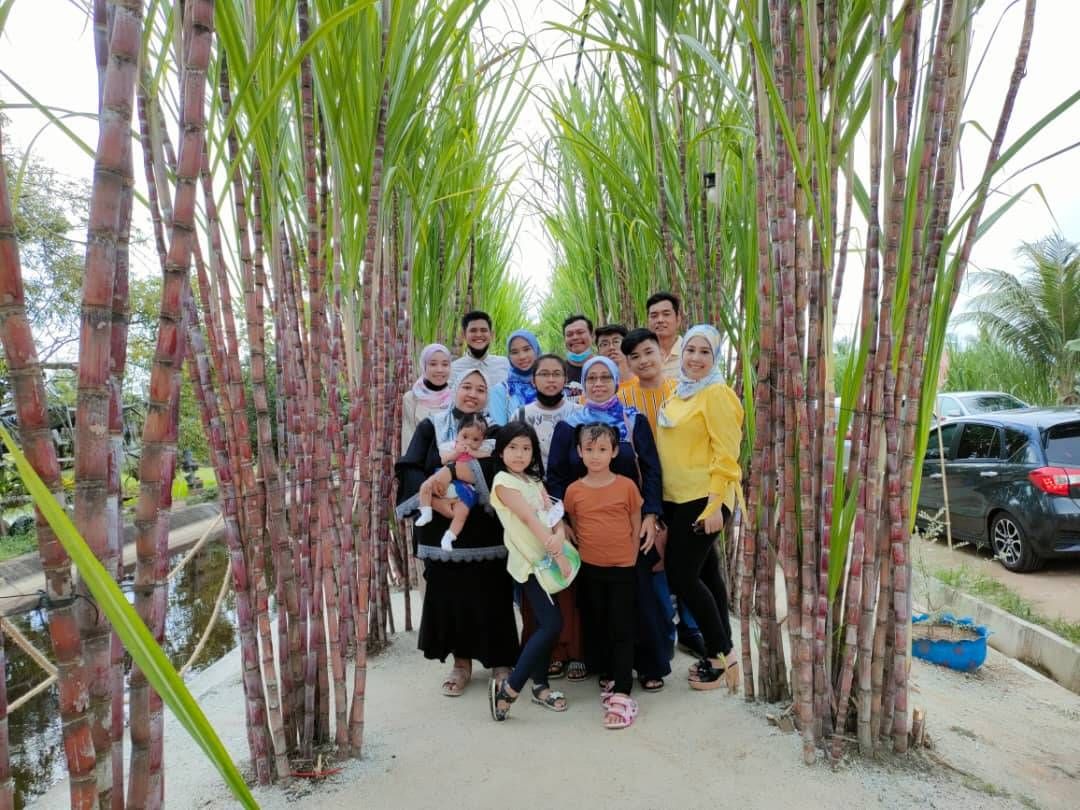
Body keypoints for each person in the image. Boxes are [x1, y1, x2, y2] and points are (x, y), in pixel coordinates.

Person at [547, 356, 670, 691]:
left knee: (639, 597)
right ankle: (607, 666)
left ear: (617, 381)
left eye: (605, 377)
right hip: (587, 530)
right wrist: (564, 523)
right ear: (583, 384)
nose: (598, 384)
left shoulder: (634, 420)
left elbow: (652, 470)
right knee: (597, 602)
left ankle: (647, 665)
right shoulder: (568, 425)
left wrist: (651, 515)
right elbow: (555, 478)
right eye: (591, 379)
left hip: (631, 525)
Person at [395, 369, 519, 696]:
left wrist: (452, 471)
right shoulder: (431, 426)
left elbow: (504, 468)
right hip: (441, 529)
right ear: (455, 388)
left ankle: (501, 661)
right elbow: (412, 467)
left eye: (480, 389)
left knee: (493, 595)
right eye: (467, 386)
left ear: (487, 396)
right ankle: (461, 663)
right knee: (451, 596)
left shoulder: (496, 432)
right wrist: (437, 504)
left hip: (486, 527)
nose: (473, 393)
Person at [656, 324, 743, 693]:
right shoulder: (680, 394)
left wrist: (715, 506)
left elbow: (727, 454)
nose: (695, 358)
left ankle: (720, 656)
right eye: (690, 350)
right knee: (708, 576)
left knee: (682, 577)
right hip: (677, 498)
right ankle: (726, 653)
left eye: (704, 352)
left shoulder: (717, 394)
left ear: (715, 358)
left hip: (702, 499)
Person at [619, 328, 706, 659]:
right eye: (635, 357)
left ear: (662, 354)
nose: (643, 361)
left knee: (686, 562)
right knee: (654, 561)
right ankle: (662, 632)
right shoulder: (623, 398)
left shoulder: (682, 392)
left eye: (647, 352)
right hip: (647, 494)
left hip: (684, 490)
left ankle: (691, 627)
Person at [488, 422, 571, 720]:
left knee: (539, 625)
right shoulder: (502, 481)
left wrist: (560, 533)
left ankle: (541, 686)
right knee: (552, 624)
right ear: (501, 451)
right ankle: (509, 690)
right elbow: (528, 518)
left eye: (526, 448)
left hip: (546, 560)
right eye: (513, 447)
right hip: (531, 565)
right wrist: (557, 550)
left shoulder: (534, 481)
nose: (520, 453)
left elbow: (552, 514)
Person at [564, 424, 643, 729]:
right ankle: (610, 675)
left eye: (602, 449)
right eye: (589, 449)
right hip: (590, 568)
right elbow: (573, 521)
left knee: (622, 627)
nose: (595, 456)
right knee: (598, 622)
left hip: (623, 567)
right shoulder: (574, 491)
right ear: (579, 453)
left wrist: (633, 556)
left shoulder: (626, 486)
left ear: (614, 452)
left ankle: (623, 692)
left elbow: (635, 522)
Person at [414, 414, 488, 551]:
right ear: (457, 434)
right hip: (446, 477)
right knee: (426, 486)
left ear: (482, 440)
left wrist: (473, 452)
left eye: (476, 439)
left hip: (465, 486)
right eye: (465, 437)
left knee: (462, 511)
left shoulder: (482, 450)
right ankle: (426, 511)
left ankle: (450, 536)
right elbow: (444, 460)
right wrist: (456, 453)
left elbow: (488, 456)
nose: (469, 442)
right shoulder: (450, 446)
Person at [515, 354, 581, 468]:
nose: (551, 380)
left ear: (566, 379)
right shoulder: (522, 415)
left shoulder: (579, 413)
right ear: (533, 380)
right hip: (532, 482)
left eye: (556, 374)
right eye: (544, 374)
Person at [401, 343, 453, 450]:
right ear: (424, 366)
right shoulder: (412, 398)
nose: (440, 370)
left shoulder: (456, 397)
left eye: (445, 364)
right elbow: (408, 437)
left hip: (453, 463)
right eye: (433, 364)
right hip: (421, 461)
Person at [451, 310, 510, 387]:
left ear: (492, 335)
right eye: (473, 330)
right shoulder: (453, 369)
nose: (478, 335)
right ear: (463, 335)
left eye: (483, 330)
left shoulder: (505, 364)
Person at [646, 292, 684, 381]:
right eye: (654, 316)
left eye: (666, 314)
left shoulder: (692, 352)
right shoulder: (642, 356)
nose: (660, 320)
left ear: (678, 319)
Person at [504, 329, 541, 412]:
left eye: (526, 349)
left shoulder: (550, 383)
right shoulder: (504, 390)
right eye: (514, 352)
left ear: (536, 350)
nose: (522, 357)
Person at [561, 314, 595, 389]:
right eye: (569, 335)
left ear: (592, 336)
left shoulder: (604, 366)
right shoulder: (558, 371)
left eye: (580, 332)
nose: (575, 337)